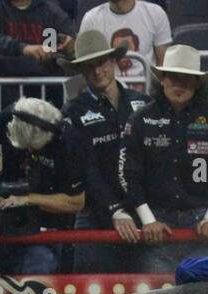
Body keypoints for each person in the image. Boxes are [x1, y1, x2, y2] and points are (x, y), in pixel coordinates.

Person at [119, 44, 208, 274]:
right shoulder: (140, 119)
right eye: (173, 77)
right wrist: (148, 220)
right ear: (162, 79)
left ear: (197, 83)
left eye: (187, 78)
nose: (179, 84)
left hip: (202, 221)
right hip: (157, 220)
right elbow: (129, 174)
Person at [0, 97, 85, 294]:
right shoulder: (13, 112)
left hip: (44, 236)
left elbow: (76, 201)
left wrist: (29, 199)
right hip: (1, 230)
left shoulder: (69, 142)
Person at [58, 30, 148, 280]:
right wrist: (114, 210)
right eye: (89, 67)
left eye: (101, 63)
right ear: (81, 71)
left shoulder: (142, 103)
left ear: (113, 62)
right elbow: (84, 168)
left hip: (140, 215)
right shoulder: (72, 112)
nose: (97, 72)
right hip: (95, 217)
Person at [0, 0, 75, 98]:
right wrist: (22, 48)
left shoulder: (51, 12)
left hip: (45, 91)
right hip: (0, 89)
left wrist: (70, 46)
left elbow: (72, 43)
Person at [78, 0, 170, 86]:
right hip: (107, 92)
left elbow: (163, 65)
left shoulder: (155, 13)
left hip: (149, 93)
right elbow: (86, 68)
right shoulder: (91, 19)